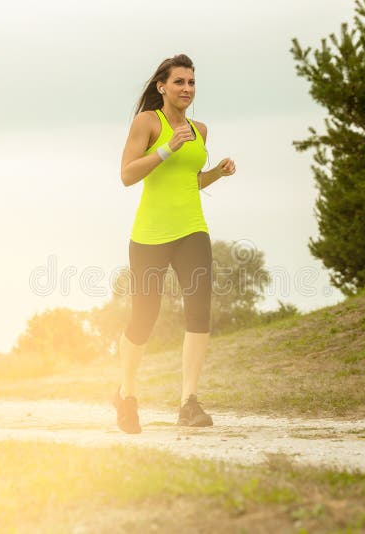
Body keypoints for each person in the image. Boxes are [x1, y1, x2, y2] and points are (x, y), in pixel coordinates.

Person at [112, 53, 236, 434]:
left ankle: (189, 401)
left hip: (192, 230)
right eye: (179, 82)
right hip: (150, 234)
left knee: (199, 310)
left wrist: (216, 172)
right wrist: (167, 148)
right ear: (161, 87)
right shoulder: (148, 122)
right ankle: (126, 394)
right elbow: (127, 176)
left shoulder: (200, 129)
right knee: (144, 318)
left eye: (192, 82)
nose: (187, 89)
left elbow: (188, 182)